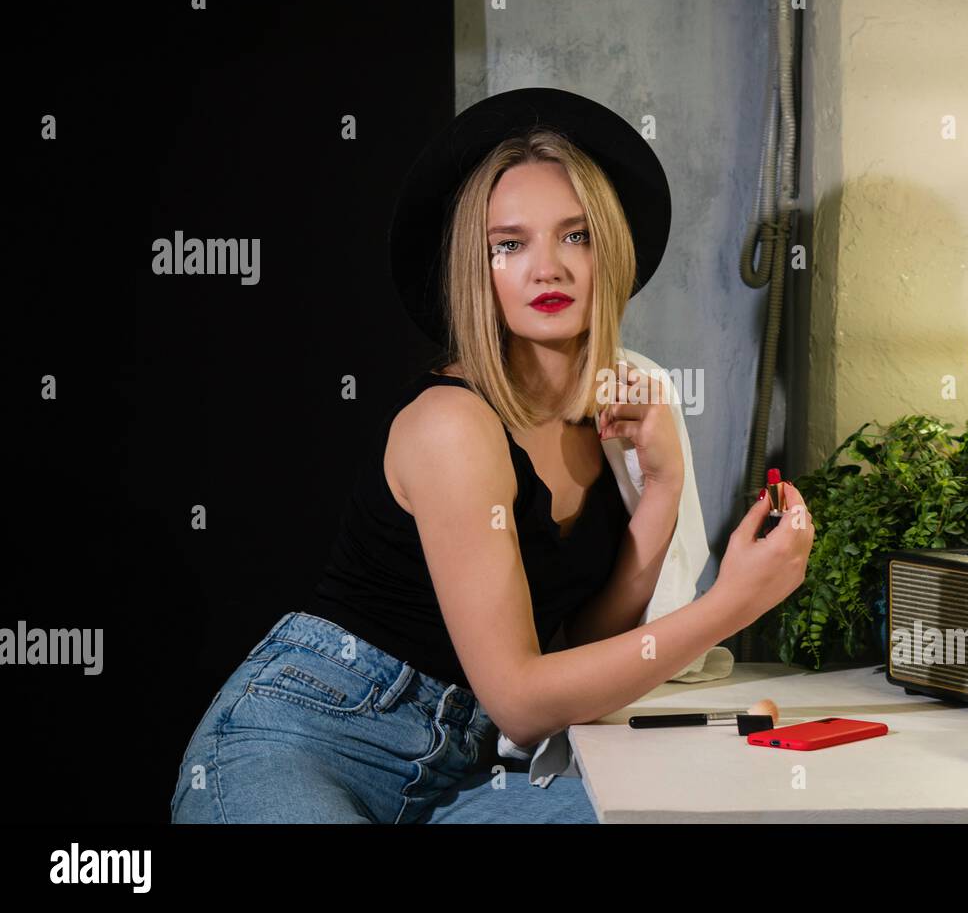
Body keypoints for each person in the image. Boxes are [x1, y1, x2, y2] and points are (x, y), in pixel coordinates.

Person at [170, 87, 814, 824]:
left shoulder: (613, 411)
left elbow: (582, 656)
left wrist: (662, 487)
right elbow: (518, 698)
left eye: (576, 236)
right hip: (302, 738)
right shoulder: (452, 423)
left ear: (614, 248)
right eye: (509, 244)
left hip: (461, 772)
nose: (548, 268)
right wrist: (731, 604)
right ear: (475, 269)